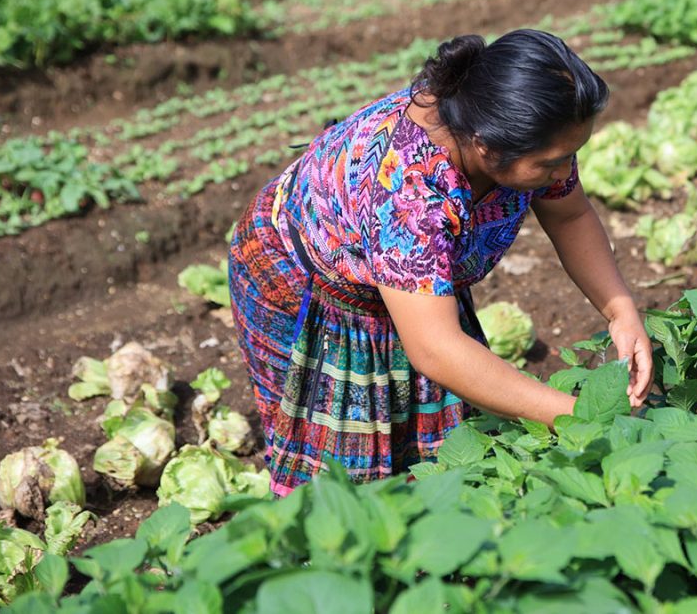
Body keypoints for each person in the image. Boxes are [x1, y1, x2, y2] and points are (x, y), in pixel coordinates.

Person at [228, 29, 653, 497]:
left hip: (410, 284)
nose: (564, 171)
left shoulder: (515, 130)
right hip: (304, 281)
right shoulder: (409, 187)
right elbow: (435, 349)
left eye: (571, 155)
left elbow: (570, 215)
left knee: (441, 456)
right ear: (487, 145)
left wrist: (620, 311)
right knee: (341, 488)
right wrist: (579, 417)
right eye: (552, 162)